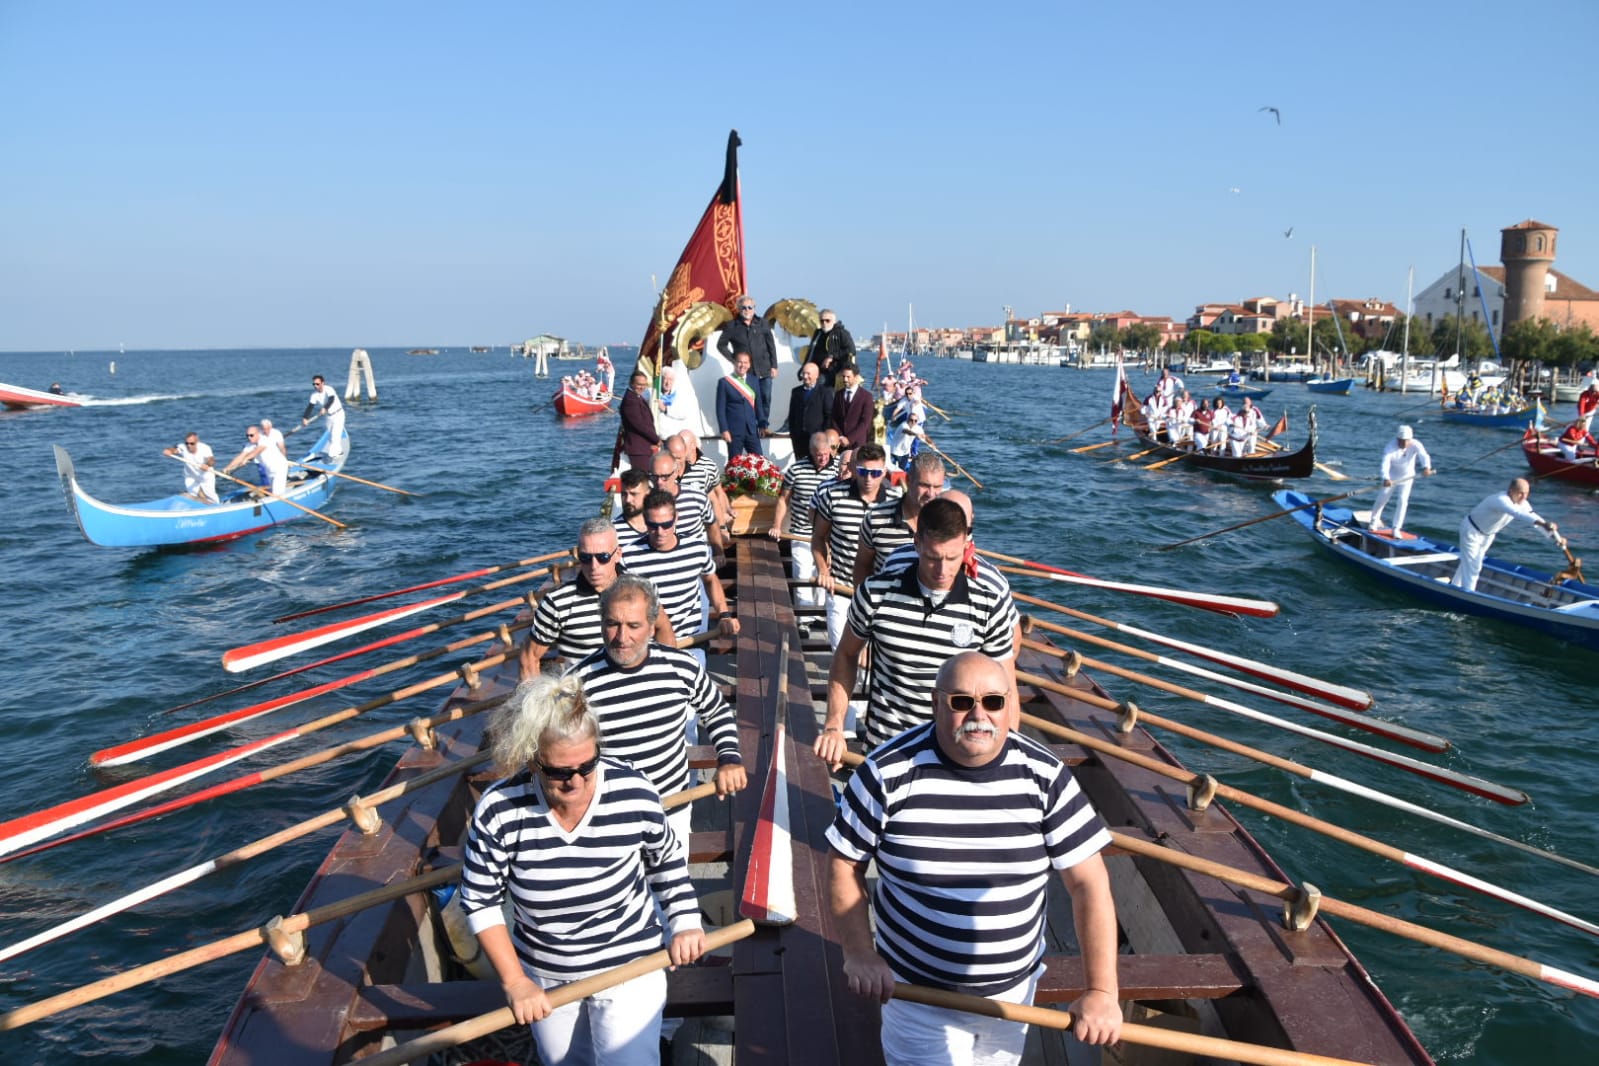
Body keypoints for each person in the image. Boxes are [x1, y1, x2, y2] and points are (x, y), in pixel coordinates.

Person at [826, 652, 1121, 1064]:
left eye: (994, 702)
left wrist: (1102, 991)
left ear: (1009, 705)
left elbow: (1088, 883)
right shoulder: (884, 773)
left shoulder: (1046, 777)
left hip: (1012, 999)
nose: (978, 714)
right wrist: (859, 953)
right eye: (961, 701)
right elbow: (844, 863)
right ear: (936, 702)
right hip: (917, 996)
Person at [459, 674, 706, 1066]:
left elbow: (666, 861)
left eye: (587, 766)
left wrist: (686, 921)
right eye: (559, 772)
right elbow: (480, 901)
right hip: (546, 973)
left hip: (630, 963)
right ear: (532, 757)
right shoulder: (499, 809)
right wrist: (516, 982)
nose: (575, 782)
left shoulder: (634, 790)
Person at [815, 497, 1019, 761]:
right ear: (917, 543)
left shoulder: (989, 606)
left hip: (958, 752)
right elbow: (846, 654)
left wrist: (1008, 758)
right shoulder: (875, 594)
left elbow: (1007, 690)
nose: (943, 570)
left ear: (967, 546)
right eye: (933, 558)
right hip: (887, 749)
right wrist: (834, 726)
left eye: (952, 558)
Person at [564, 575, 745, 846]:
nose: (622, 638)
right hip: (608, 818)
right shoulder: (575, 684)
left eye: (633, 626)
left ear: (651, 627)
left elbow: (716, 711)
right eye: (612, 624)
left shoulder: (681, 667)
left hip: (672, 811)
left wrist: (729, 758)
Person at [518, 517, 676, 680]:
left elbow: (663, 628)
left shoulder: (644, 590)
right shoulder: (557, 603)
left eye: (603, 557)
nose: (594, 566)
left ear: (618, 554)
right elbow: (529, 657)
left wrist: (667, 676)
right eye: (586, 558)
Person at [621, 491, 738, 663]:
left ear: (676, 519)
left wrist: (724, 614)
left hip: (691, 642)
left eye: (666, 524)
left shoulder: (697, 549)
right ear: (644, 521)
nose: (660, 532)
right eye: (653, 526)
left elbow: (710, 580)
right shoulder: (628, 557)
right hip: (648, 647)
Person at [811, 443, 897, 649]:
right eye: (863, 472)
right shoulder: (832, 496)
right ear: (854, 469)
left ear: (884, 472)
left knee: (872, 658)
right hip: (840, 589)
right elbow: (818, 538)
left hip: (879, 595)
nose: (868, 479)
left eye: (875, 473)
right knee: (841, 653)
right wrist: (824, 571)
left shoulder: (896, 502)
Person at [1450, 478, 1564, 592]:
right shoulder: (1500, 500)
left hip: (1488, 535)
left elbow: (1533, 516)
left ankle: (1455, 586)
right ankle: (1469, 594)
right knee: (1474, 566)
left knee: (1470, 562)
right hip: (1472, 530)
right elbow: (1518, 513)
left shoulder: (1523, 503)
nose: (1524, 497)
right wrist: (1544, 524)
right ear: (1511, 491)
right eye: (1520, 493)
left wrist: (1555, 536)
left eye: (1527, 493)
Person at [770, 431, 841, 612]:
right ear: (811, 452)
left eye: (826, 455)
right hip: (800, 532)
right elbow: (783, 500)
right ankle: (804, 618)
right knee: (802, 575)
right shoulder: (796, 470)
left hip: (827, 536)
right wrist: (777, 525)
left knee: (822, 574)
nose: (823, 459)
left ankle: (818, 613)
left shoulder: (838, 471)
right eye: (819, 456)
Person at [852, 452, 946, 585]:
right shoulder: (876, 519)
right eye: (924, 485)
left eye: (937, 487)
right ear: (908, 480)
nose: (930, 494)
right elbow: (862, 566)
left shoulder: (949, 521)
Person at [716, 294, 779, 432]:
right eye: (743, 307)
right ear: (739, 309)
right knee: (750, 399)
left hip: (764, 368)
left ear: (754, 308)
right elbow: (721, 345)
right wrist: (734, 359)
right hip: (746, 371)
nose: (747, 310)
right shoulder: (732, 326)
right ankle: (751, 426)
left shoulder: (763, 323)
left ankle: (763, 426)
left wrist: (774, 365)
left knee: (765, 397)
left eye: (750, 307)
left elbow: (771, 345)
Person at [1369, 425, 1433, 537]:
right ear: (1397, 439)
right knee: (1383, 498)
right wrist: (1386, 478)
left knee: (1403, 501)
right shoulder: (1390, 447)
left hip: (1407, 477)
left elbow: (1424, 455)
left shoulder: (1416, 444)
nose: (1404, 444)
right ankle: (1374, 521)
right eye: (1401, 441)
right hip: (1391, 477)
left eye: (1406, 441)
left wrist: (1426, 467)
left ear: (1410, 439)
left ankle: (1396, 528)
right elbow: (1385, 464)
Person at [716, 351, 762, 458]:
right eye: (740, 362)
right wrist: (724, 429)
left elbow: (758, 405)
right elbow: (720, 409)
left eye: (745, 362)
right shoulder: (725, 382)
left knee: (760, 461)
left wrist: (762, 424)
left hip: (751, 430)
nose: (742, 365)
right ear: (734, 363)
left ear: (749, 364)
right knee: (734, 464)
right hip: (733, 432)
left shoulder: (754, 380)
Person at [222, 424, 289, 496]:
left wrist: (246, 458)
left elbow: (257, 451)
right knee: (271, 491)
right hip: (269, 470)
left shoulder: (264, 440)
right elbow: (240, 456)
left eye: (251, 435)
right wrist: (227, 468)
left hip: (279, 468)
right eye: (247, 436)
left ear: (258, 434)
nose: (249, 438)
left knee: (277, 494)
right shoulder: (250, 445)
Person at [786, 361, 832, 458]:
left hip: (816, 439)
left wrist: (823, 435)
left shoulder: (825, 392)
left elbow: (829, 415)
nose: (805, 376)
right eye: (803, 373)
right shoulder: (796, 392)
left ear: (816, 375)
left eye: (808, 373)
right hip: (798, 439)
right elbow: (792, 415)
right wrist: (793, 433)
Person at [618, 371, 660, 473]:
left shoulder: (637, 397)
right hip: (638, 449)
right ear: (632, 384)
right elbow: (639, 425)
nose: (642, 387)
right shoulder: (631, 401)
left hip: (643, 447)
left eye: (644, 385)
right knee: (642, 477)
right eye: (639, 384)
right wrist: (656, 439)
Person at [806, 308, 856, 390]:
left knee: (819, 388)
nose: (824, 323)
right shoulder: (818, 333)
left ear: (834, 321)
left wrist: (831, 357)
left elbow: (851, 350)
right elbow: (811, 351)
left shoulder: (842, 333)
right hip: (816, 370)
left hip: (832, 371)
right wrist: (805, 366)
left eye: (827, 320)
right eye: (821, 321)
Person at [831, 366, 875, 457]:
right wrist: (840, 436)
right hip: (840, 443)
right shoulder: (838, 395)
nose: (845, 379)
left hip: (857, 443)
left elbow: (865, 422)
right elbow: (833, 418)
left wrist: (849, 439)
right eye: (843, 377)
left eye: (848, 377)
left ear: (856, 377)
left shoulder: (867, 396)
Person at [162, 432, 218, 504]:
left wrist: (207, 465)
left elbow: (211, 460)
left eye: (192, 443)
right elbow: (174, 449)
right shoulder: (183, 447)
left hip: (205, 476)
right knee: (193, 496)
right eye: (187, 443)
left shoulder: (205, 448)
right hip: (190, 476)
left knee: (211, 496)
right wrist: (169, 450)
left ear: (197, 442)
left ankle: (217, 506)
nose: (189, 446)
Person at [300, 374, 345, 457]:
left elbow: (331, 399)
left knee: (335, 436)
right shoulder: (314, 395)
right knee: (331, 436)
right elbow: (310, 407)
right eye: (314, 384)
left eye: (317, 384)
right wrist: (305, 418)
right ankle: (339, 451)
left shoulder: (329, 389)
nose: (315, 386)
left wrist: (325, 408)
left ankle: (333, 455)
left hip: (338, 414)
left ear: (322, 383)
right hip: (328, 417)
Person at [612, 468, 653, 541]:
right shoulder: (612, 531)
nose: (628, 500)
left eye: (634, 494)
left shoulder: (661, 527)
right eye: (624, 494)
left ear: (647, 494)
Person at [656, 364, 694, 439]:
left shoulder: (679, 395)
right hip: (657, 437)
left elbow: (683, 413)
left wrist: (665, 409)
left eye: (670, 379)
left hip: (673, 436)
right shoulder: (655, 393)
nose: (668, 382)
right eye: (665, 379)